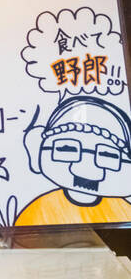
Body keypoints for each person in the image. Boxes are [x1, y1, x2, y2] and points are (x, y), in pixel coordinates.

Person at [16, 95, 131, 225]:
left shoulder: (123, 211)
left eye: (108, 155)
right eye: (67, 149)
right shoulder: (39, 210)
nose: (87, 170)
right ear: (37, 149)